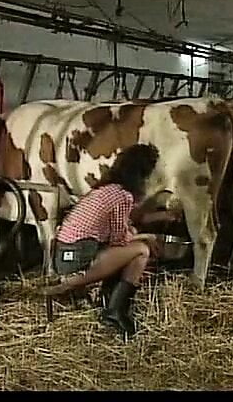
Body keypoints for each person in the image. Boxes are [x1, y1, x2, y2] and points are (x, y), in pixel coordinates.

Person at [42, 143, 181, 337]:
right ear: (142, 174)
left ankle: (109, 302)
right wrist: (145, 236)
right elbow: (119, 241)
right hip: (77, 264)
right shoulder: (122, 196)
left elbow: (125, 224)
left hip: (64, 258)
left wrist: (159, 219)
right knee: (141, 251)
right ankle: (115, 311)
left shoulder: (108, 190)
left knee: (136, 249)